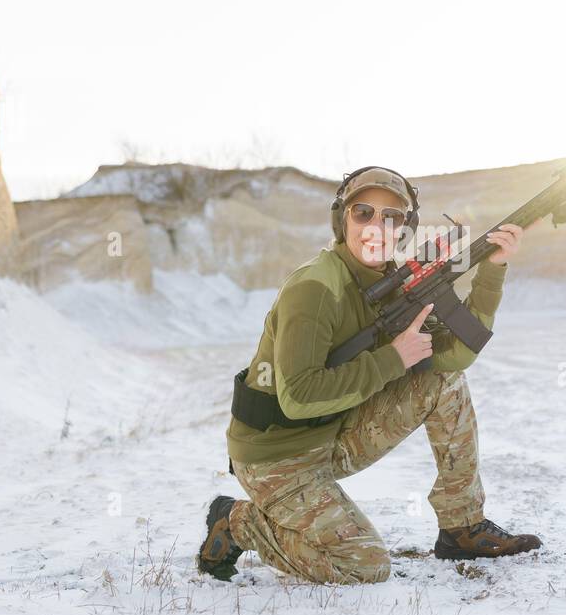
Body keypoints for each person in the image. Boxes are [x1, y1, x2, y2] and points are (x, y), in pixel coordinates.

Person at [197, 166, 540, 584]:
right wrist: (393, 359)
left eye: (392, 217)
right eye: (364, 213)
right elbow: (298, 397)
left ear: (405, 228)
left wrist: (492, 271)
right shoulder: (314, 288)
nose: (377, 226)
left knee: (442, 382)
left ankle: (461, 528)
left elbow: (456, 358)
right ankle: (237, 522)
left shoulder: (393, 284)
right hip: (276, 455)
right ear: (342, 221)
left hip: (332, 432)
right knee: (364, 566)